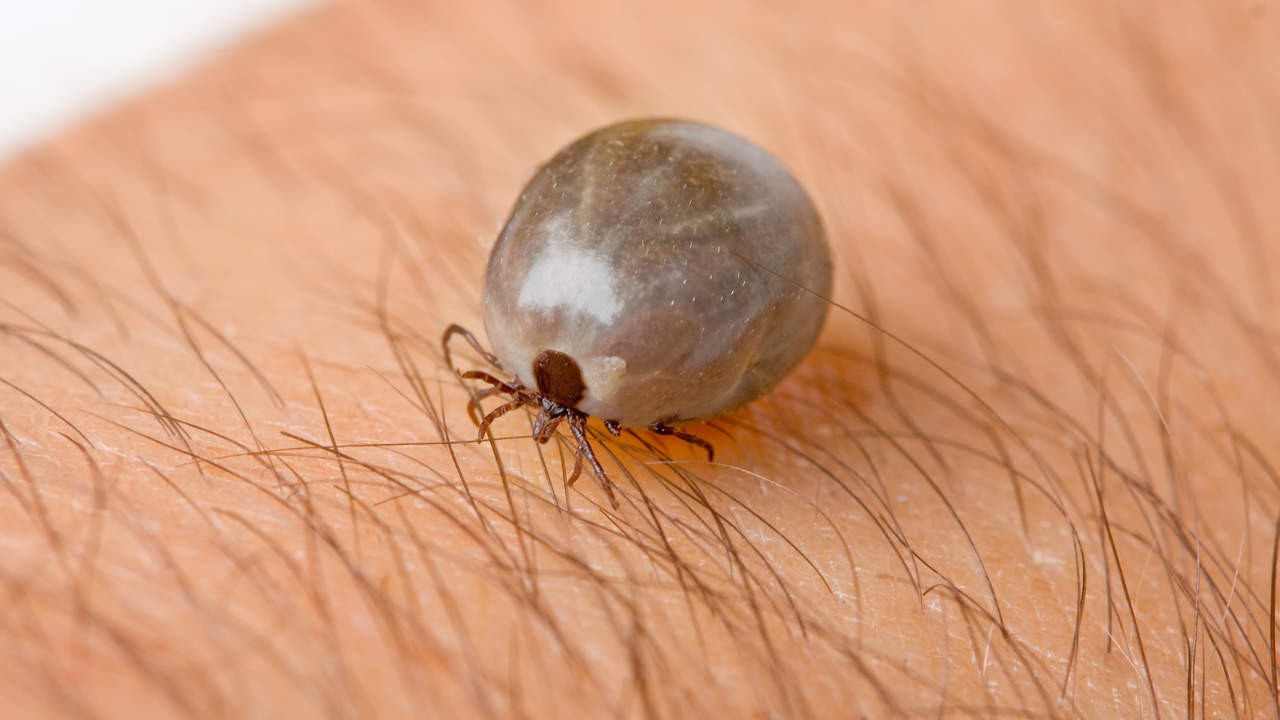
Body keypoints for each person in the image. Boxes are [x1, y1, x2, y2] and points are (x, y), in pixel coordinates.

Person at [0, 1, 1274, 716]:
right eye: (552, 395)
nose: (546, 410)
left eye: (553, 397)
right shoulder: (545, 350)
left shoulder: (554, 344)